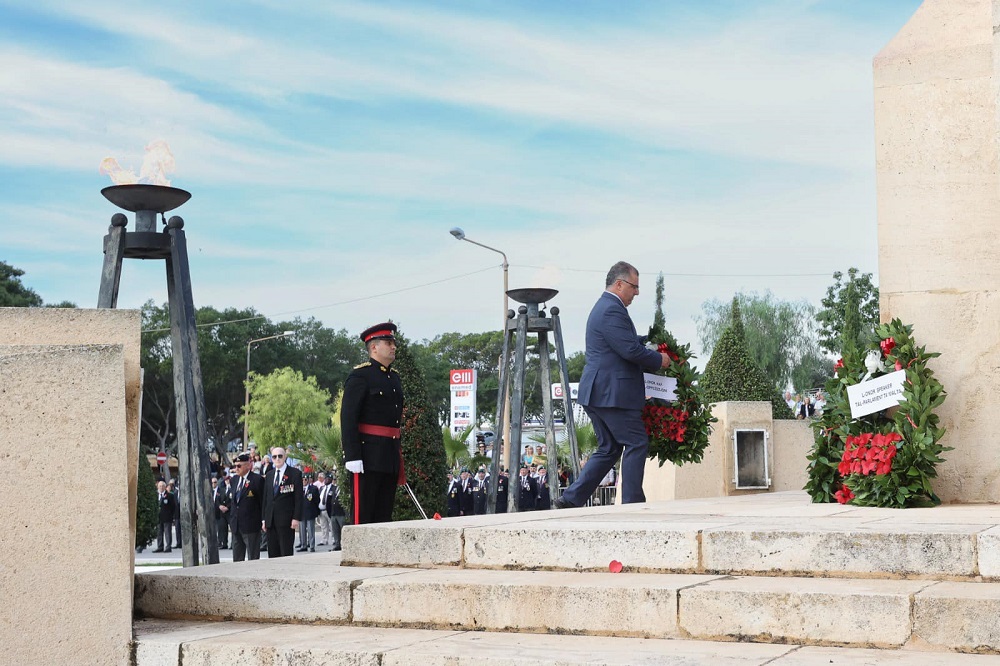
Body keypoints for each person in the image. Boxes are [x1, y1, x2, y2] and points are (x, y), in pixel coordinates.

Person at [556, 261, 672, 509]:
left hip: (599, 393)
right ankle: (632, 504)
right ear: (620, 284)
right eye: (634, 286)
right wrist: (659, 359)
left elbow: (623, 342)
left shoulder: (607, 307)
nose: (637, 293)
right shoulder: (611, 309)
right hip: (612, 393)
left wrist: (650, 339)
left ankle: (570, 498)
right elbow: (628, 350)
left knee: (609, 448)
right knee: (636, 442)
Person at [341, 322, 405, 525]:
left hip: (389, 454)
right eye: (388, 342)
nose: (393, 347)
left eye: (393, 342)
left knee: (383, 515)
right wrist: (352, 456)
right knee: (364, 515)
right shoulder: (361, 376)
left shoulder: (394, 378)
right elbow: (348, 417)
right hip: (366, 456)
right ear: (374, 347)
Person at [262, 446, 304, 557]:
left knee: (285, 551)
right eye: (274, 457)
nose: (277, 459)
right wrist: (264, 519)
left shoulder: (294, 473)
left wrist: (296, 518)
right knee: (272, 553)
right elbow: (266, 499)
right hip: (271, 520)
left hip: (286, 520)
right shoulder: (269, 475)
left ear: (285, 457)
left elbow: (298, 498)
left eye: (280, 456)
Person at [226, 452, 264, 561]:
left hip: (251, 525)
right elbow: (234, 502)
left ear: (248, 465)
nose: (236, 469)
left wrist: (263, 520)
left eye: (239, 466)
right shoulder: (234, 480)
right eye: (235, 466)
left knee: (253, 557)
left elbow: (262, 502)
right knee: (237, 558)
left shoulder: (257, 480)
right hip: (236, 525)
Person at [153, 481, 176, 553]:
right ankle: (160, 546)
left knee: (167, 533)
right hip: (158, 518)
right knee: (159, 533)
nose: (161, 487)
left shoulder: (170, 495)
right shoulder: (155, 495)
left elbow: (174, 506)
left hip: (167, 517)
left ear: (165, 487)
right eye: (160, 486)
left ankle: (168, 547)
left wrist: (172, 516)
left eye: (162, 486)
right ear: (157, 487)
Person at [299, 476, 320, 552]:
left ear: (308, 480)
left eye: (305, 479)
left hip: (310, 512)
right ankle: (303, 545)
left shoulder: (313, 489)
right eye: (302, 480)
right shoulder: (299, 489)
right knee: (302, 530)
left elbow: (317, 500)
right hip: (301, 512)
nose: (303, 481)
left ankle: (311, 546)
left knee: (311, 530)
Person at [211, 477, 230, 549]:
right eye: (212, 482)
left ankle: (221, 542)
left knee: (221, 528)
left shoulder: (221, 490)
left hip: (220, 513)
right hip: (212, 513)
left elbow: (221, 500)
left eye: (215, 482)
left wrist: (220, 506)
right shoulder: (209, 491)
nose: (213, 484)